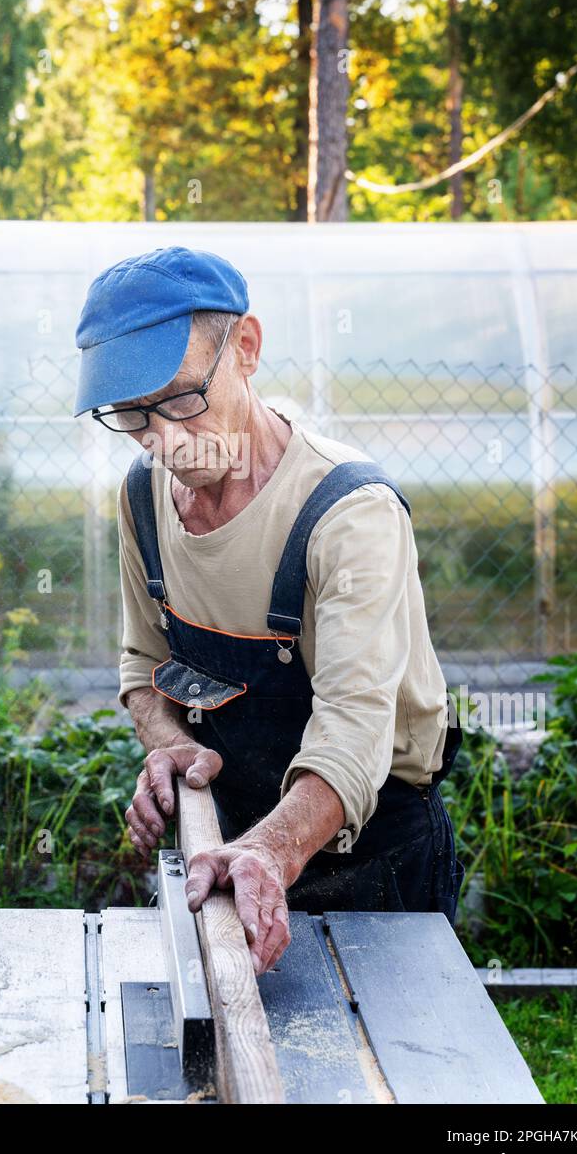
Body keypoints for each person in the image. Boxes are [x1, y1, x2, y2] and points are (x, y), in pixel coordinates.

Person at [72, 245, 464, 976]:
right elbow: (143, 665)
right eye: (133, 415)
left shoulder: (347, 515)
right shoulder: (141, 500)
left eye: (185, 397)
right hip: (227, 842)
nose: (167, 440)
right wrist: (168, 744)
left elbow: (353, 730)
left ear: (245, 348)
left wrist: (270, 850)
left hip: (374, 851)